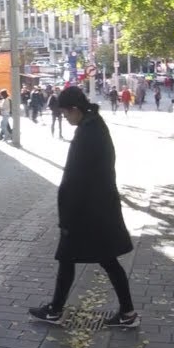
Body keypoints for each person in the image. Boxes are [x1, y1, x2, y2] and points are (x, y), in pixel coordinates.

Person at [29, 87, 138, 328]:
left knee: (86, 258)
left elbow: (74, 178)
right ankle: (124, 312)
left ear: (75, 110)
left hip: (88, 211)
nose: (65, 118)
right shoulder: (94, 125)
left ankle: (58, 311)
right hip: (97, 207)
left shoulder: (88, 133)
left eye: (66, 114)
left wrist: (66, 214)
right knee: (89, 259)